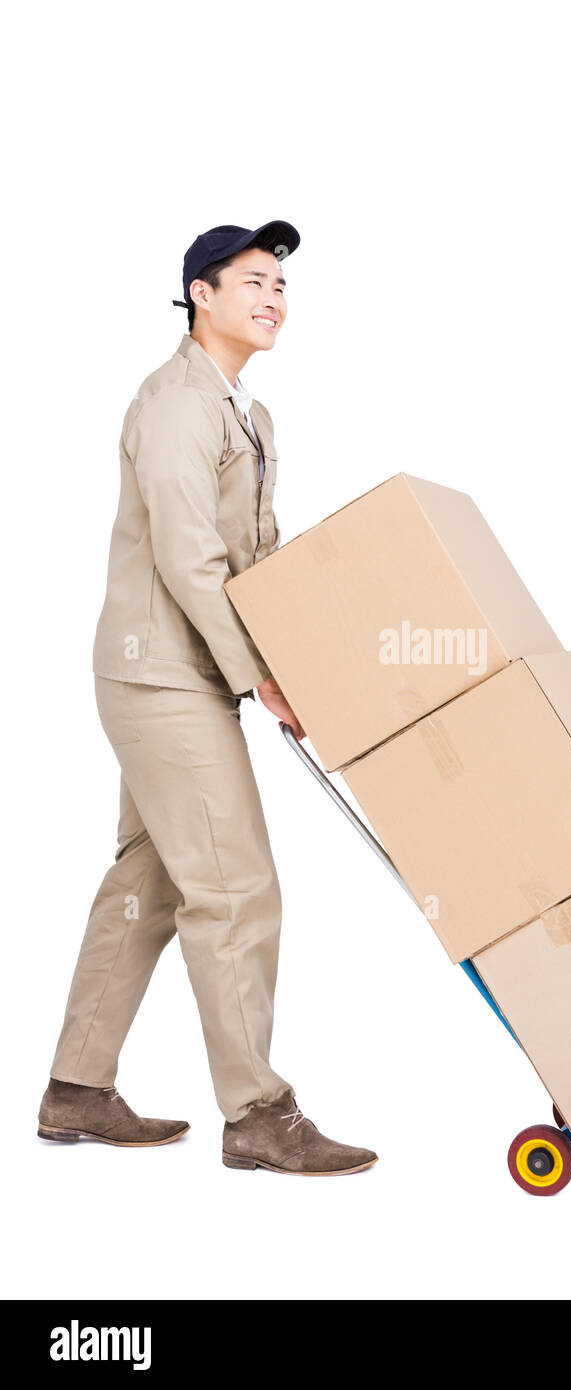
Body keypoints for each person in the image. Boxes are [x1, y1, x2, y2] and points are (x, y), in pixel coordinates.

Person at [38, 221, 378, 1178]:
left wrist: (309, 659)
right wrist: (257, 677)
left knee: (148, 881)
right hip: (162, 673)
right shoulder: (175, 406)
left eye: (282, 285)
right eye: (254, 281)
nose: (274, 297)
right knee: (233, 888)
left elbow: (258, 559)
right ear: (200, 293)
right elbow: (192, 559)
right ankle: (258, 1115)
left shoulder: (248, 416)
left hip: (183, 669)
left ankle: (75, 1089)